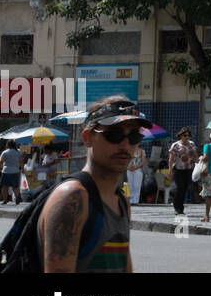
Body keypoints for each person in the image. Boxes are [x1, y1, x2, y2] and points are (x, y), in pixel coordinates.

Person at [37, 95, 148, 272]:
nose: (125, 145)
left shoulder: (121, 201)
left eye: (134, 136)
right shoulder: (72, 197)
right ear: (88, 137)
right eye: (114, 135)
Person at [168, 129, 197, 215]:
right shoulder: (176, 145)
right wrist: (170, 170)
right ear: (181, 136)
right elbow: (171, 159)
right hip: (178, 169)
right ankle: (178, 208)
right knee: (180, 188)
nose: (187, 137)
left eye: (188, 135)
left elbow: (195, 155)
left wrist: (198, 162)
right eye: (185, 135)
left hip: (188, 169)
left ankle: (180, 206)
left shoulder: (192, 144)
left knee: (184, 189)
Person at [0, 140, 24, 204]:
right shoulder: (19, 152)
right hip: (15, 171)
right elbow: (21, 162)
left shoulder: (5, 152)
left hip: (6, 171)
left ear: (8, 145)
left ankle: (5, 200)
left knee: (4, 186)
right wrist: (23, 169)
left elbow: (1, 162)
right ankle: (17, 197)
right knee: (15, 186)